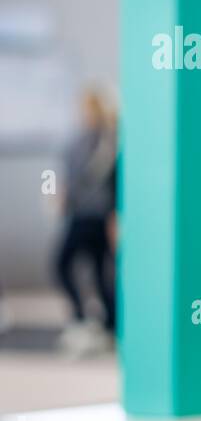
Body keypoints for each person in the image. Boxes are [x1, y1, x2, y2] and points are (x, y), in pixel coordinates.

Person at [54, 89, 119, 355]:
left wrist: (117, 216)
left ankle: (111, 325)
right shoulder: (75, 142)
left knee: (103, 272)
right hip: (79, 215)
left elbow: (116, 184)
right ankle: (85, 317)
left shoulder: (109, 143)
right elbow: (64, 177)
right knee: (63, 264)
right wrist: (58, 197)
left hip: (99, 216)